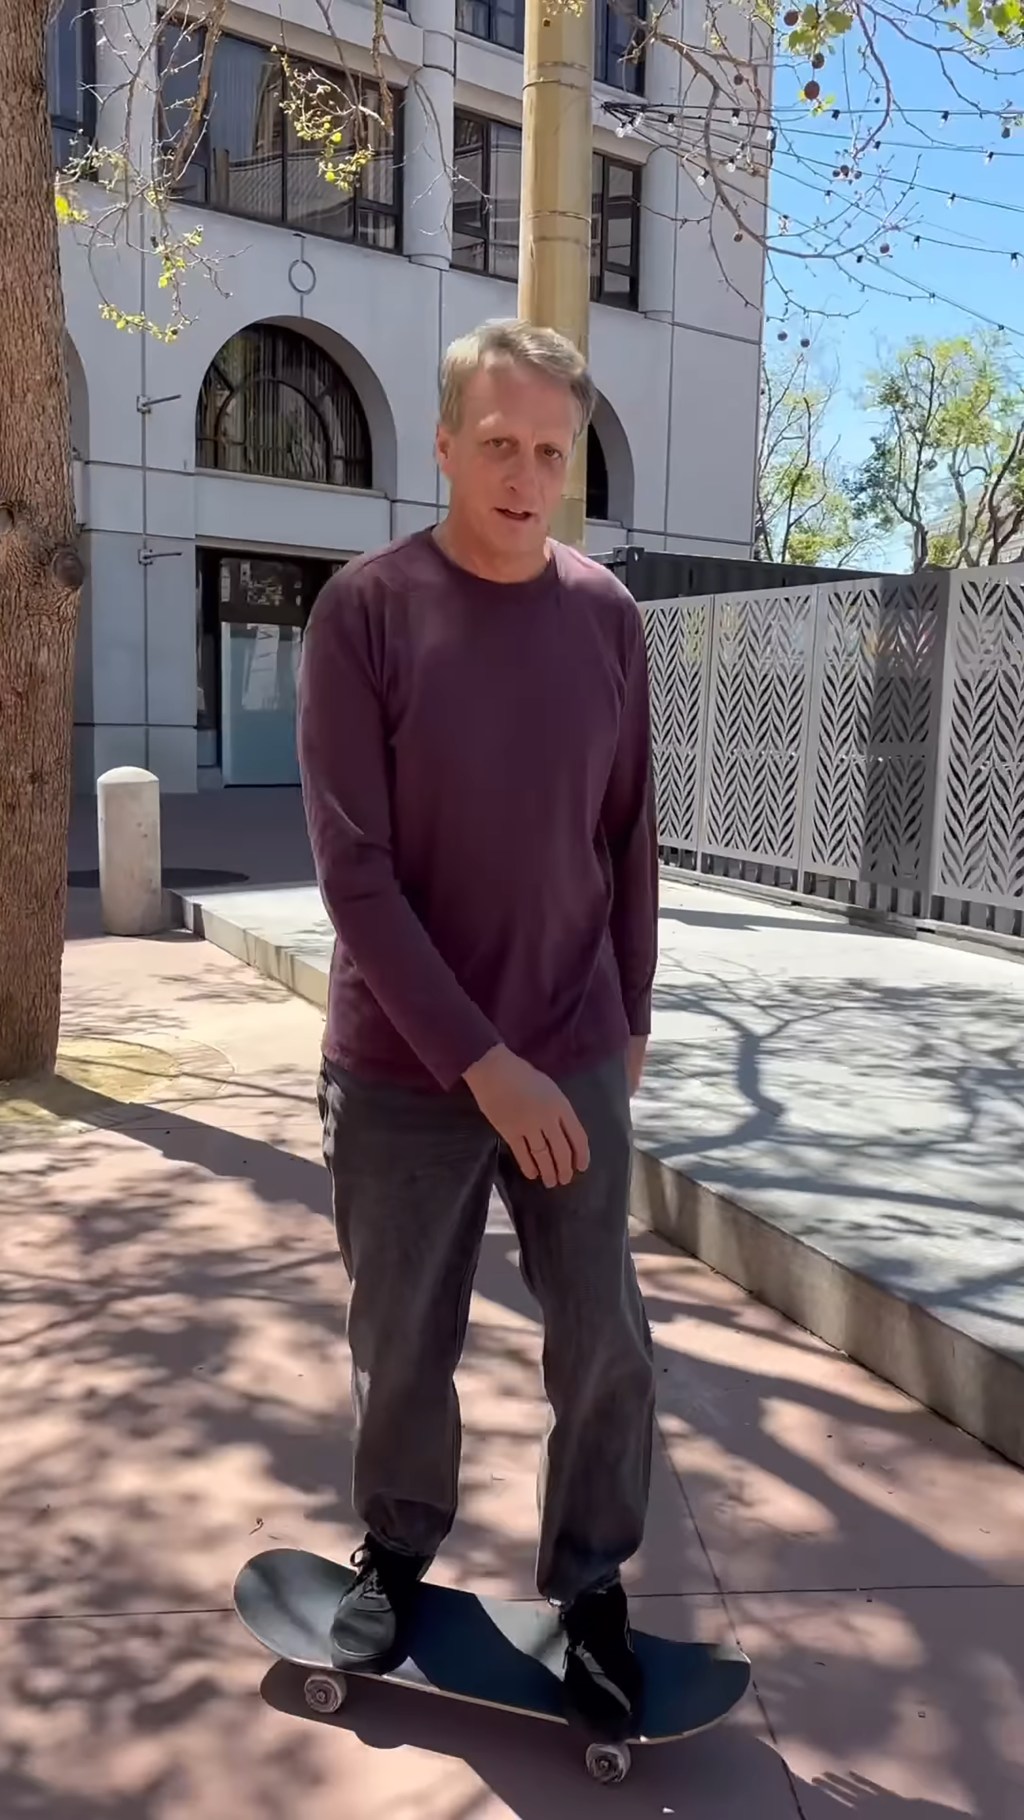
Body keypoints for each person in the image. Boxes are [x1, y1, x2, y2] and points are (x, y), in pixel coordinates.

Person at [297, 318, 658, 1739]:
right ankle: (395, 1548)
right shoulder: (367, 614)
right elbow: (354, 876)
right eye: (497, 443)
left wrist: (625, 1018)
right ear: (442, 445)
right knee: (402, 1339)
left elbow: (629, 838)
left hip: (570, 1046)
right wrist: (482, 1066)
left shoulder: (607, 618)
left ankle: (591, 1586)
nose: (523, 473)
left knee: (606, 1341)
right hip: (402, 1067)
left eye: (550, 451)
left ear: (573, 465)